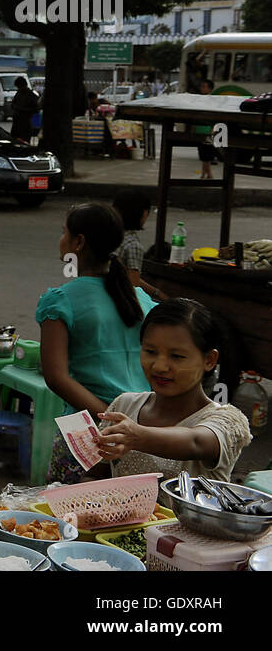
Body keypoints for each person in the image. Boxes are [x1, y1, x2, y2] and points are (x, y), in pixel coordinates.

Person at [38, 203, 155, 483]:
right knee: (129, 518)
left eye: (64, 233)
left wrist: (110, 417)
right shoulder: (141, 299)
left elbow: (56, 377)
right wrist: (126, 420)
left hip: (86, 432)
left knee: (68, 518)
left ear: (79, 242)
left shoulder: (60, 300)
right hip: (140, 427)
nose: (60, 241)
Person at [95, 299, 251, 486]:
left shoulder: (225, 421)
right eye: (150, 351)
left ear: (209, 360)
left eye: (177, 356)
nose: (160, 366)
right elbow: (97, 475)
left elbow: (196, 442)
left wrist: (138, 437)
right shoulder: (125, 405)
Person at [112, 190, 164, 302]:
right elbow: (133, 287)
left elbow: (128, 276)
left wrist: (157, 292)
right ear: (144, 214)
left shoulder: (108, 234)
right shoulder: (133, 245)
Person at [196, 78, 216, 179]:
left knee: (206, 154)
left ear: (210, 89)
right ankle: (205, 174)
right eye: (201, 86)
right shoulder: (199, 100)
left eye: (204, 86)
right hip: (200, 129)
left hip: (208, 130)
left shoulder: (212, 101)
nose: (202, 88)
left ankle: (208, 174)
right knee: (203, 154)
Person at [10, 76, 40, 143]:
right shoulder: (18, 93)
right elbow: (13, 104)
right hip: (16, 123)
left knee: (24, 142)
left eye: (19, 87)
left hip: (25, 124)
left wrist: (21, 109)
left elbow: (36, 110)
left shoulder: (32, 95)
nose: (18, 89)